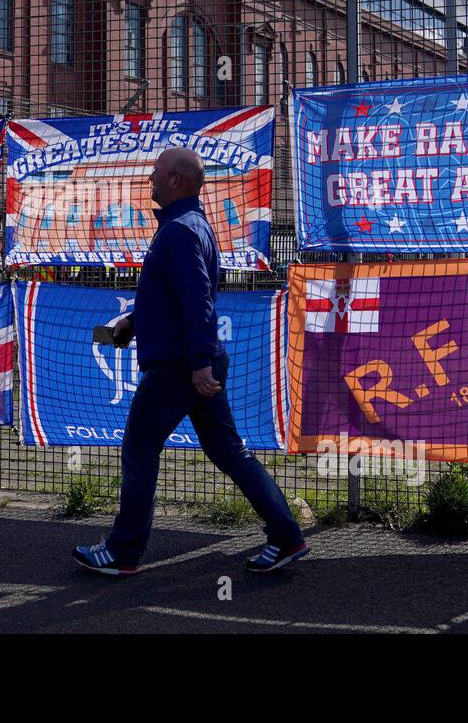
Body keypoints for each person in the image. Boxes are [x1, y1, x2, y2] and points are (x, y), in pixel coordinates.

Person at [72, 147, 309, 576]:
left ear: (177, 181)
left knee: (140, 450)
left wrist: (199, 363)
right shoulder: (189, 226)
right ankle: (287, 536)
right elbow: (174, 297)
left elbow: (199, 301)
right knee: (230, 452)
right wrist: (133, 321)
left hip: (180, 367)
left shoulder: (180, 231)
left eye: (157, 173)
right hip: (193, 363)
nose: (150, 179)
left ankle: (123, 552)